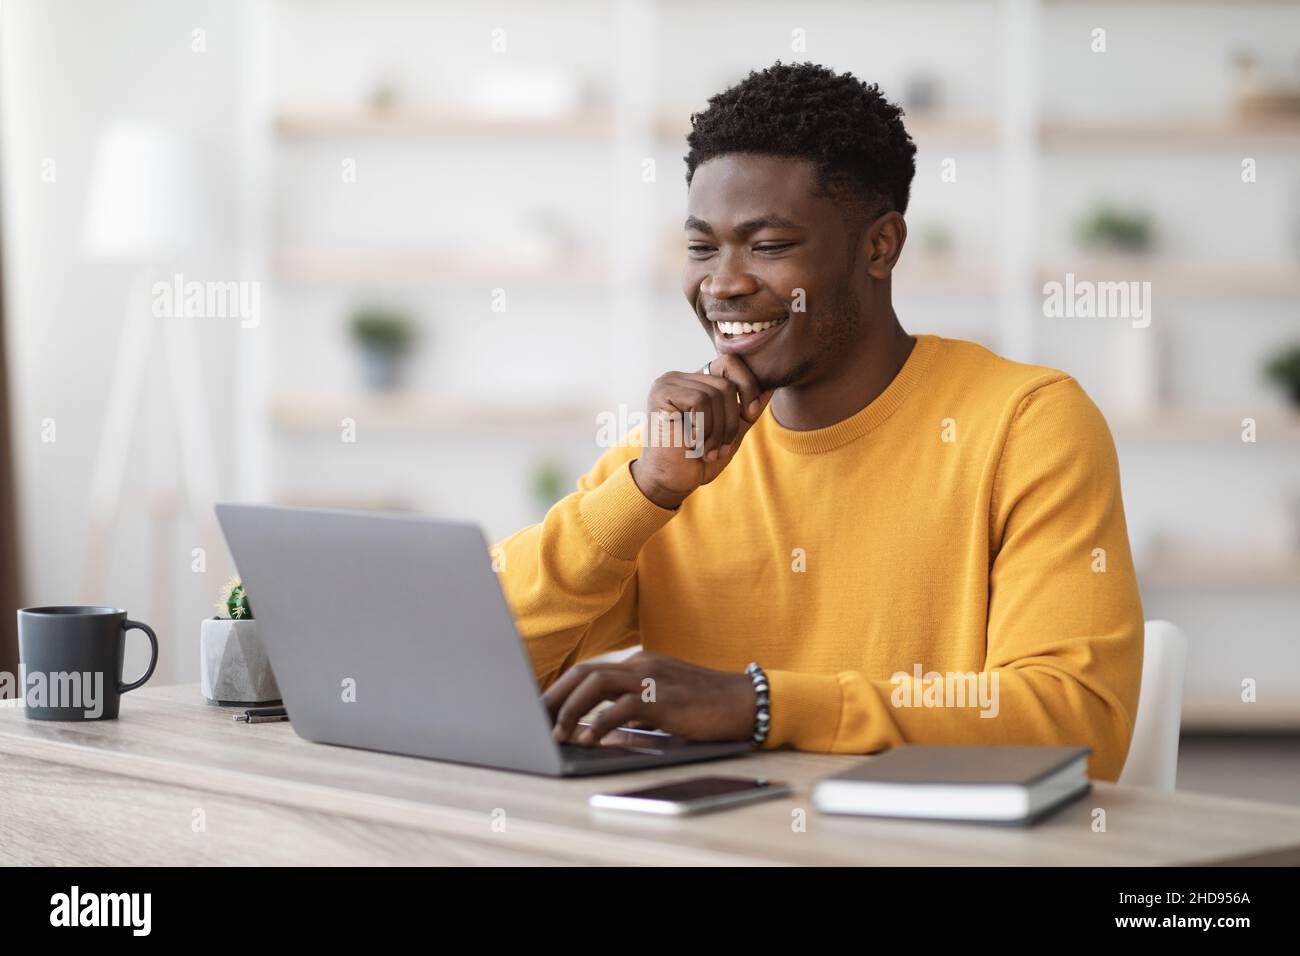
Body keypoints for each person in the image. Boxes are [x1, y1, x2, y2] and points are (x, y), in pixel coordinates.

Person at [493, 62, 1143, 781]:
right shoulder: (674, 461)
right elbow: (475, 662)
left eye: (768, 246)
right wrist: (643, 493)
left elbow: (1078, 721)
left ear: (880, 246)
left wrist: (760, 705)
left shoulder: (1027, 424)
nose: (723, 284)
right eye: (702, 247)